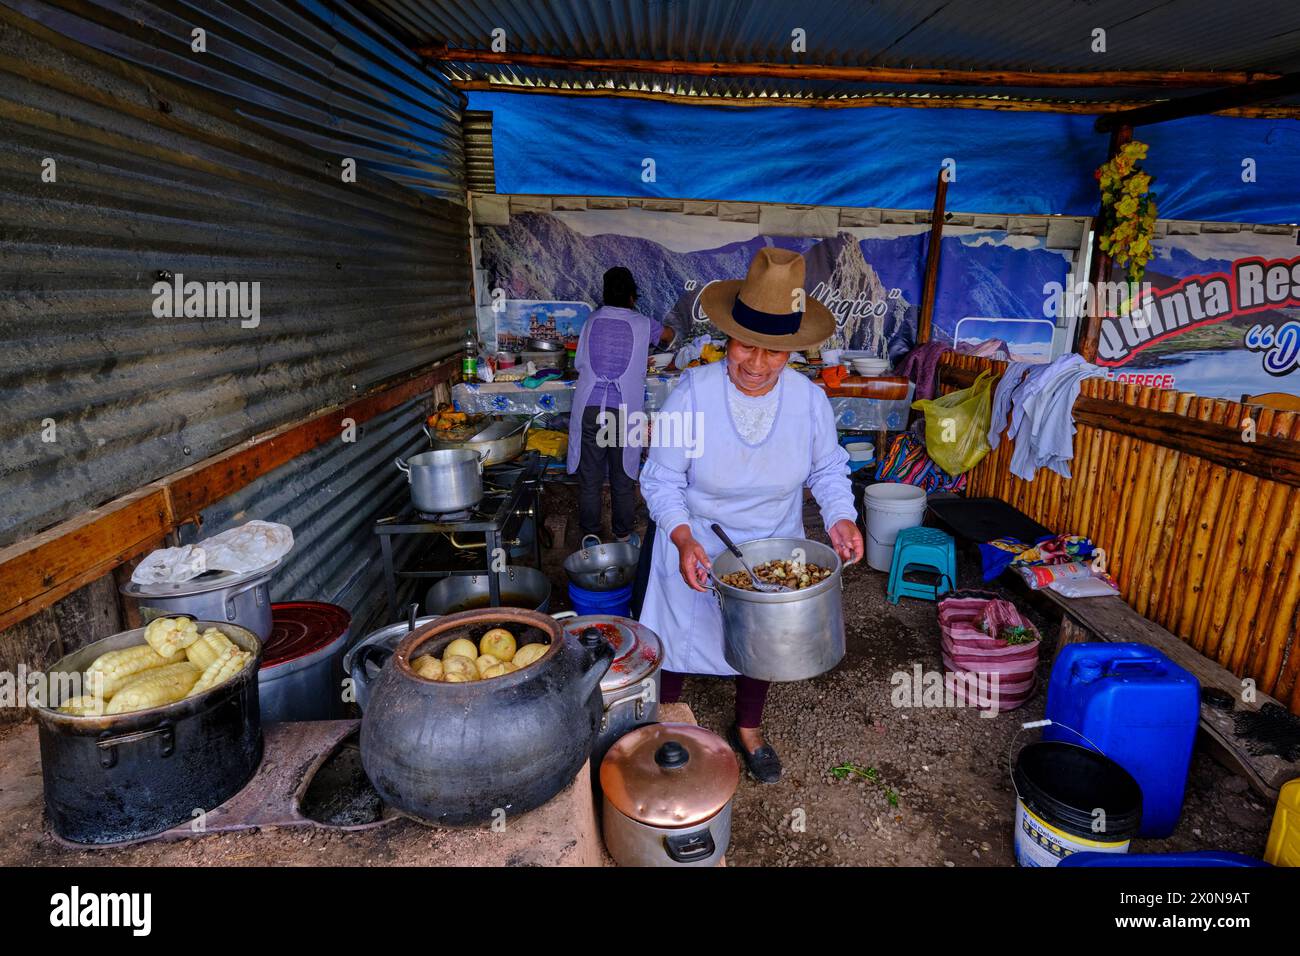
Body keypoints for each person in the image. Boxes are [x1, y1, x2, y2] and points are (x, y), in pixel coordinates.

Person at [638, 248, 865, 783]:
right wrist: (682, 538)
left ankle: (749, 730)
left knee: (759, 644)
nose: (756, 365)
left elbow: (829, 468)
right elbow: (661, 479)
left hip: (771, 545)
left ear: (793, 350)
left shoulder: (808, 400)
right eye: (745, 345)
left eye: (774, 351)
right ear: (725, 338)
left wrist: (840, 516)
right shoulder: (691, 396)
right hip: (694, 539)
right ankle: (663, 728)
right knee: (676, 637)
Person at [567, 267, 674, 542]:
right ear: (631, 296)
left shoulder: (592, 320)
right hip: (623, 411)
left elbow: (581, 362)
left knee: (590, 477)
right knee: (623, 475)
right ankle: (623, 535)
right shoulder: (642, 323)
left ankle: (590, 535)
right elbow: (669, 336)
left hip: (590, 407)